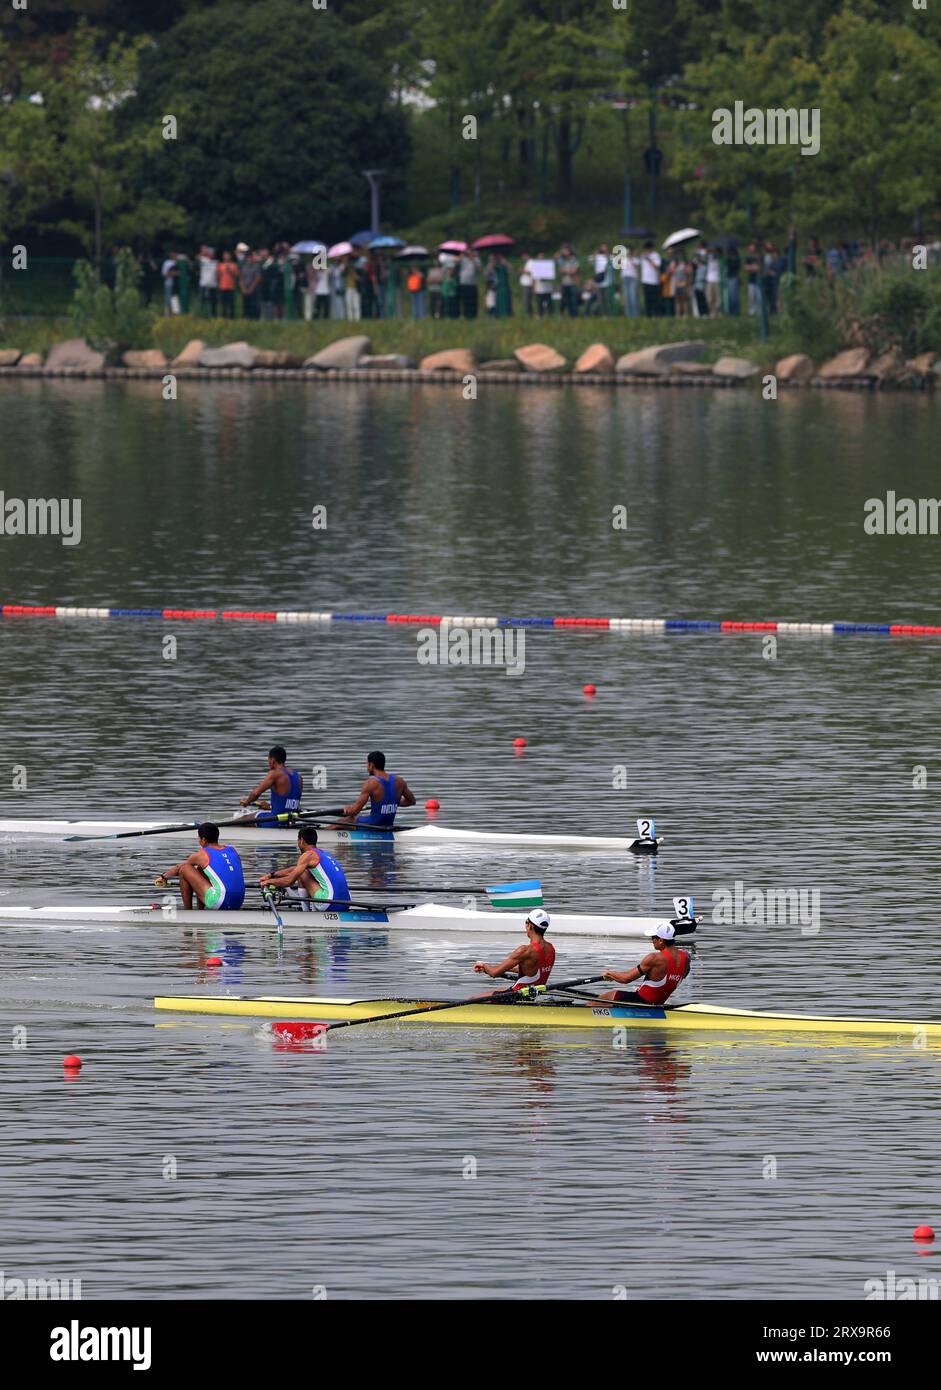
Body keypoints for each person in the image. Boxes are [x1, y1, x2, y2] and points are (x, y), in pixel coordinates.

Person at [593, 923, 690, 1005]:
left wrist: (609, 974)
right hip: (659, 1002)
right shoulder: (686, 957)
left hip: (641, 1001)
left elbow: (626, 979)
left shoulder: (654, 958)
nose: (651, 941)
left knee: (603, 999)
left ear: (661, 940)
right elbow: (682, 976)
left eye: (653, 938)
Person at [157, 823, 245, 911]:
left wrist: (163, 877)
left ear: (203, 840)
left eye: (199, 838)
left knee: (185, 869)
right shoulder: (232, 849)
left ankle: (188, 911)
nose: (198, 841)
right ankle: (200, 910)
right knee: (200, 869)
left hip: (220, 902)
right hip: (238, 902)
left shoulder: (201, 854)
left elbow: (180, 867)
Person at [258, 826, 350, 910]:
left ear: (301, 841)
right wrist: (272, 875)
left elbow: (289, 881)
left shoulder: (307, 855)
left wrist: (268, 882)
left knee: (302, 873)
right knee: (303, 871)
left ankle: (306, 911)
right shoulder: (323, 853)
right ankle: (313, 910)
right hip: (346, 902)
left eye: (298, 841)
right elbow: (294, 869)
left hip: (330, 903)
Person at [473, 910, 556, 992]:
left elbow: (494, 973)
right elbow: (530, 969)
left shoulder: (525, 950)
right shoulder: (551, 948)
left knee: (473, 998)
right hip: (535, 994)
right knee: (499, 990)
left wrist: (483, 965)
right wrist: (489, 968)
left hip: (517, 996)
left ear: (529, 925)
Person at [341, 751, 414, 827]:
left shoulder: (370, 783)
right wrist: (392, 802)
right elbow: (411, 801)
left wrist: (348, 810)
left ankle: (328, 835)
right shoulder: (399, 781)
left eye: (367, 764)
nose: (367, 767)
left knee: (348, 820)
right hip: (388, 824)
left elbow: (355, 811)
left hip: (374, 825)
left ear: (371, 765)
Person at [239, 746, 304, 825]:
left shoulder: (275, 773)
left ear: (272, 760)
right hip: (294, 820)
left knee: (243, 819)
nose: (268, 762)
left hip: (277, 820)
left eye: (268, 760)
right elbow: (291, 804)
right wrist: (270, 807)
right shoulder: (298, 776)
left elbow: (255, 793)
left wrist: (247, 802)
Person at [556, 242, 580, 315]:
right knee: (563, 300)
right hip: (564, 283)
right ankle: (562, 314)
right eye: (564, 250)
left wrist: (565, 271)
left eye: (566, 250)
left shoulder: (574, 259)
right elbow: (560, 270)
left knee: (573, 300)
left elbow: (574, 271)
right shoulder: (561, 260)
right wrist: (569, 271)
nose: (565, 252)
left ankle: (574, 315)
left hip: (572, 283)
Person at [640, 240, 661, 316]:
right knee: (647, 299)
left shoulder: (655, 255)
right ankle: (648, 315)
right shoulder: (643, 256)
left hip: (654, 281)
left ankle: (656, 314)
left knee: (654, 299)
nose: (646, 250)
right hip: (646, 280)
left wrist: (649, 259)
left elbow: (657, 266)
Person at [197, 245, 218, 317]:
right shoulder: (203, 260)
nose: (211, 254)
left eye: (212, 253)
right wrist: (204, 252)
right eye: (209, 253)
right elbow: (197, 257)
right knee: (203, 301)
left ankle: (213, 315)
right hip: (204, 284)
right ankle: (203, 315)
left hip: (213, 285)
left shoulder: (216, 262)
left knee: (213, 302)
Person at [217, 250, 238, 317]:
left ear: (230, 256)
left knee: (231, 304)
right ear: (223, 256)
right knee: (223, 304)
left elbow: (236, 276)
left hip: (231, 287)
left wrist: (230, 270)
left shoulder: (234, 265)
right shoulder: (220, 265)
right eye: (225, 255)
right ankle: (223, 317)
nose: (226, 256)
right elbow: (218, 276)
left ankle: (232, 317)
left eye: (228, 255)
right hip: (222, 287)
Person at [620, 243, 640, 317]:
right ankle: (628, 315)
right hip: (625, 278)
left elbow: (637, 265)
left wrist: (631, 257)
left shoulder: (635, 258)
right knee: (626, 297)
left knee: (633, 297)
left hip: (633, 278)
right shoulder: (623, 258)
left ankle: (635, 315)